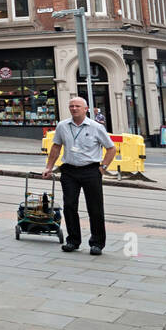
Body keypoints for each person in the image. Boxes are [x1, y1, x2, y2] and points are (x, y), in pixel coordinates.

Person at [43, 95, 116, 255]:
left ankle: (97, 243)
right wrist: (49, 167)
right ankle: (73, 240)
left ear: (86, 109)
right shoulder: (62, 126)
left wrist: (102, 168)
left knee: (95, 208)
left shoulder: (96, 127)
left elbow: (111, 149)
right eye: (71, 106)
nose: (74, 109)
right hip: (69, 170)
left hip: (91, 171)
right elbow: (56, 147)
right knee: (69, 206)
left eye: (77, 106)